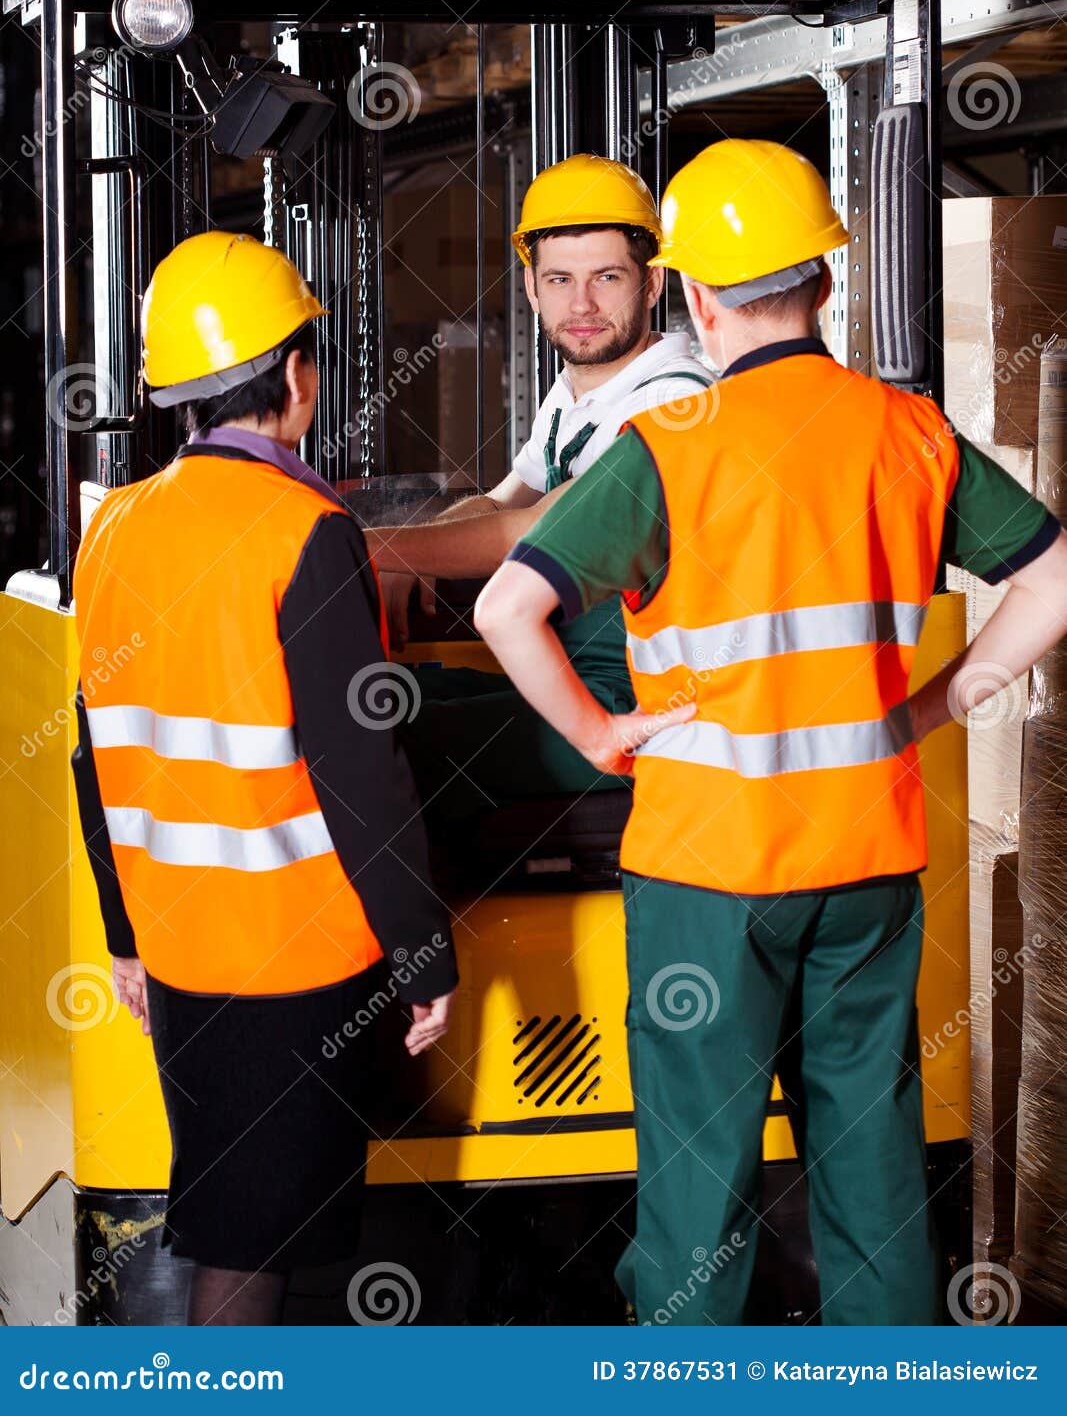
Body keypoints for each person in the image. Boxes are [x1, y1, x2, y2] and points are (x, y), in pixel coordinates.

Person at [472, 138, 1067, 1325]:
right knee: (873, 1170)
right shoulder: (909, 433)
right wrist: (942, 701)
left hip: (706, 868)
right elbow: (1052, 575)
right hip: (864, 858)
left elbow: (506, 604)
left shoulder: (667, 449)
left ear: (687, 293)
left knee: (701, 1180)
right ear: (826, 285)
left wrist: (599, 735)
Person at [71, 231, 458, 1326]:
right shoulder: (306, 529)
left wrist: (125, 935)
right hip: (289, 963)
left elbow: (92, 752)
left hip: (183, 947)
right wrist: (423, 950)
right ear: (296, 374)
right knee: (252, 1249)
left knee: (233, 1224)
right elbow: (359, 774)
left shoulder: (115, 528)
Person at [364, 154, 713, 824]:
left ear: (651, 284)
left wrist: (376, 548)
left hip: (639, 704)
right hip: (573, 679)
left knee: (376, 739)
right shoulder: (580, 390)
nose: (580, 305)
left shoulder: (674, 400)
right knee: (382, 695)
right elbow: (498, 503)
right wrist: (411, 550)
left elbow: (531, 531)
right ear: (530, 287)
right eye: (559, 280)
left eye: (605, 278)